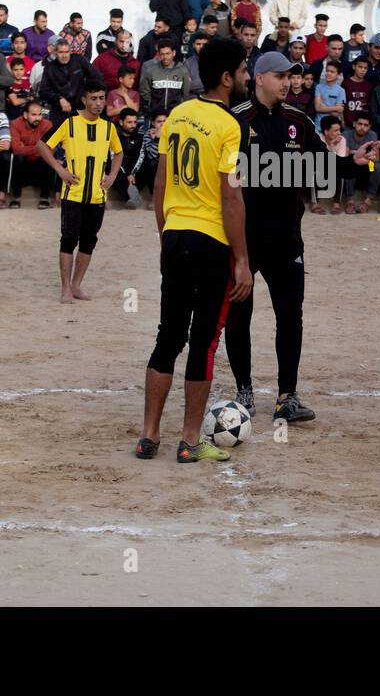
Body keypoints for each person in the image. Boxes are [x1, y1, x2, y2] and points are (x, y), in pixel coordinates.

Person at [225, 51, 373, 421]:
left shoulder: (299, 121)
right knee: (239, 315)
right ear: (259, 78)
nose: (288, 83)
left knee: (290, 316)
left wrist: (353, 163)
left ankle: (286, 396)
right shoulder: (236, 120)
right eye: (280, 76)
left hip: (288, 237)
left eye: (291, 77)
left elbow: (323, 163)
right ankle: (244, 392)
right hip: (243, 240)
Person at [138, 38, 253, 463]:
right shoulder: (229, 125)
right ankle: (189, 441)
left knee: (168, 336)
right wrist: (241, 259)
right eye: (242, 71)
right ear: (226, 77)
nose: (246, 77)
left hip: (176, 234)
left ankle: (149, 435)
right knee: (203, 342)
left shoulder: (178, 115)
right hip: (211, 241)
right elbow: (232, 198)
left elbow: (160, 185)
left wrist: (165, 234)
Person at [37, 84, 122, 299]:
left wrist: (112, 176)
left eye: (102, 98)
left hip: (97, 196)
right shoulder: (69, 123)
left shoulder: (109, 127)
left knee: (89, 241)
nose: (99, 103)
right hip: (73, 194)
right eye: (93, 98)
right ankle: (65, 288)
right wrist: (60, 169)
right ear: (84, 99)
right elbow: (42, 145)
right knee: (68, 240)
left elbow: (119, 153)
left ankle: (76, 285)